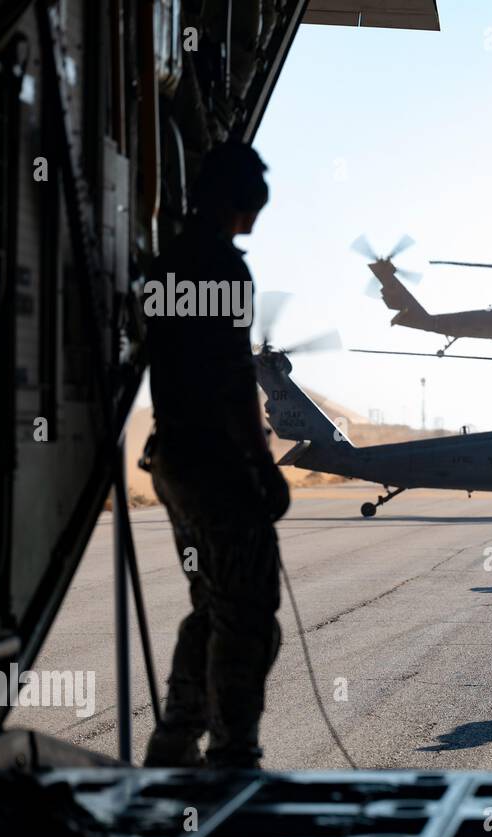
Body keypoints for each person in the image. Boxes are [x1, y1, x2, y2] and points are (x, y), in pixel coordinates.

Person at [142, 141, 289, 769]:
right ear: (238, 201)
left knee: (213, 605)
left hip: (174, 461)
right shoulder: (225, 270)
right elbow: (234, 384)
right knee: (249, 618)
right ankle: (232, 753)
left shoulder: (165, 262)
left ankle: (176, 740)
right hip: (217, 467)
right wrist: (263, 470)